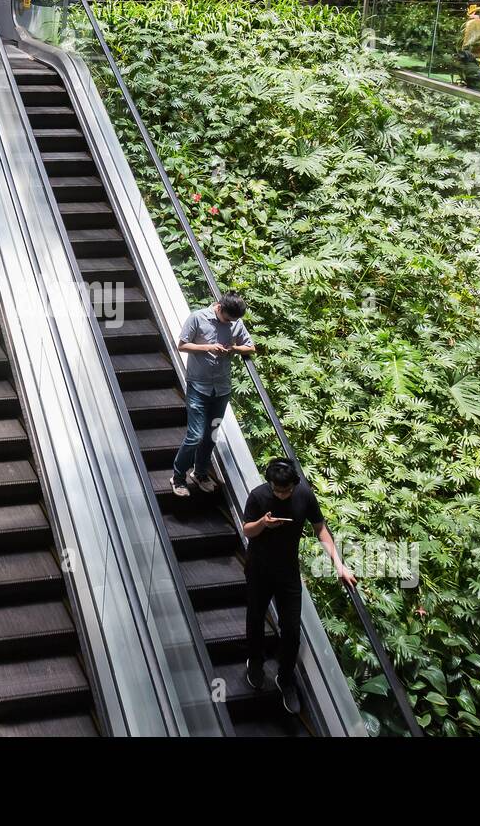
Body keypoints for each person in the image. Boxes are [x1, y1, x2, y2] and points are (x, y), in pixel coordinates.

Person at [242, 458, 355, 713]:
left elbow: (320, 529)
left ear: (294, 484)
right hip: (259, 569)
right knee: (256, 618)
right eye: (277, 490)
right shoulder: (259, 496)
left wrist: (338, 564)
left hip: (288, 572)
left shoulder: (304, 495)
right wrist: (264, 524)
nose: (281, 494)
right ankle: (256, 663)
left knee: (292, 628)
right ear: (270, 483)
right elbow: (247, 530)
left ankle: (285, 676)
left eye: (286, 490)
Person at [171, 292, 255, 497]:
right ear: (219, 307)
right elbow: (182, 345)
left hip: (222, 389)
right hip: (198, 386)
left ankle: (200, 473)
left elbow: (251, 347)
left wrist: (233, 348)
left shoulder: (235, 322)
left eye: (234, 320)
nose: (231, 323)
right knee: (195, 436)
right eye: (228, 319)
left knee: (211, 434)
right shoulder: (197, 317)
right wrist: (209, 347)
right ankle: (178, 476)